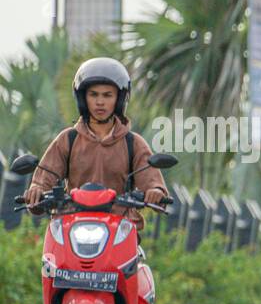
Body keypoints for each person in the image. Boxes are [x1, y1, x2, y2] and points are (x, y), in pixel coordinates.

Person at [22, 57, 169, 225]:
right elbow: (45, 177)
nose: (100, 102)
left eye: (107, 95)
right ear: (83, 99)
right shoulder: (68, 139)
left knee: (135, 251)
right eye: (93, 95)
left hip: (120, 228)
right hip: (72, 225)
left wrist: (156, 191)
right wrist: (36, 189)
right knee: (50, 252)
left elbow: (151, 180)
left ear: (120, 99)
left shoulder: (133, 143)